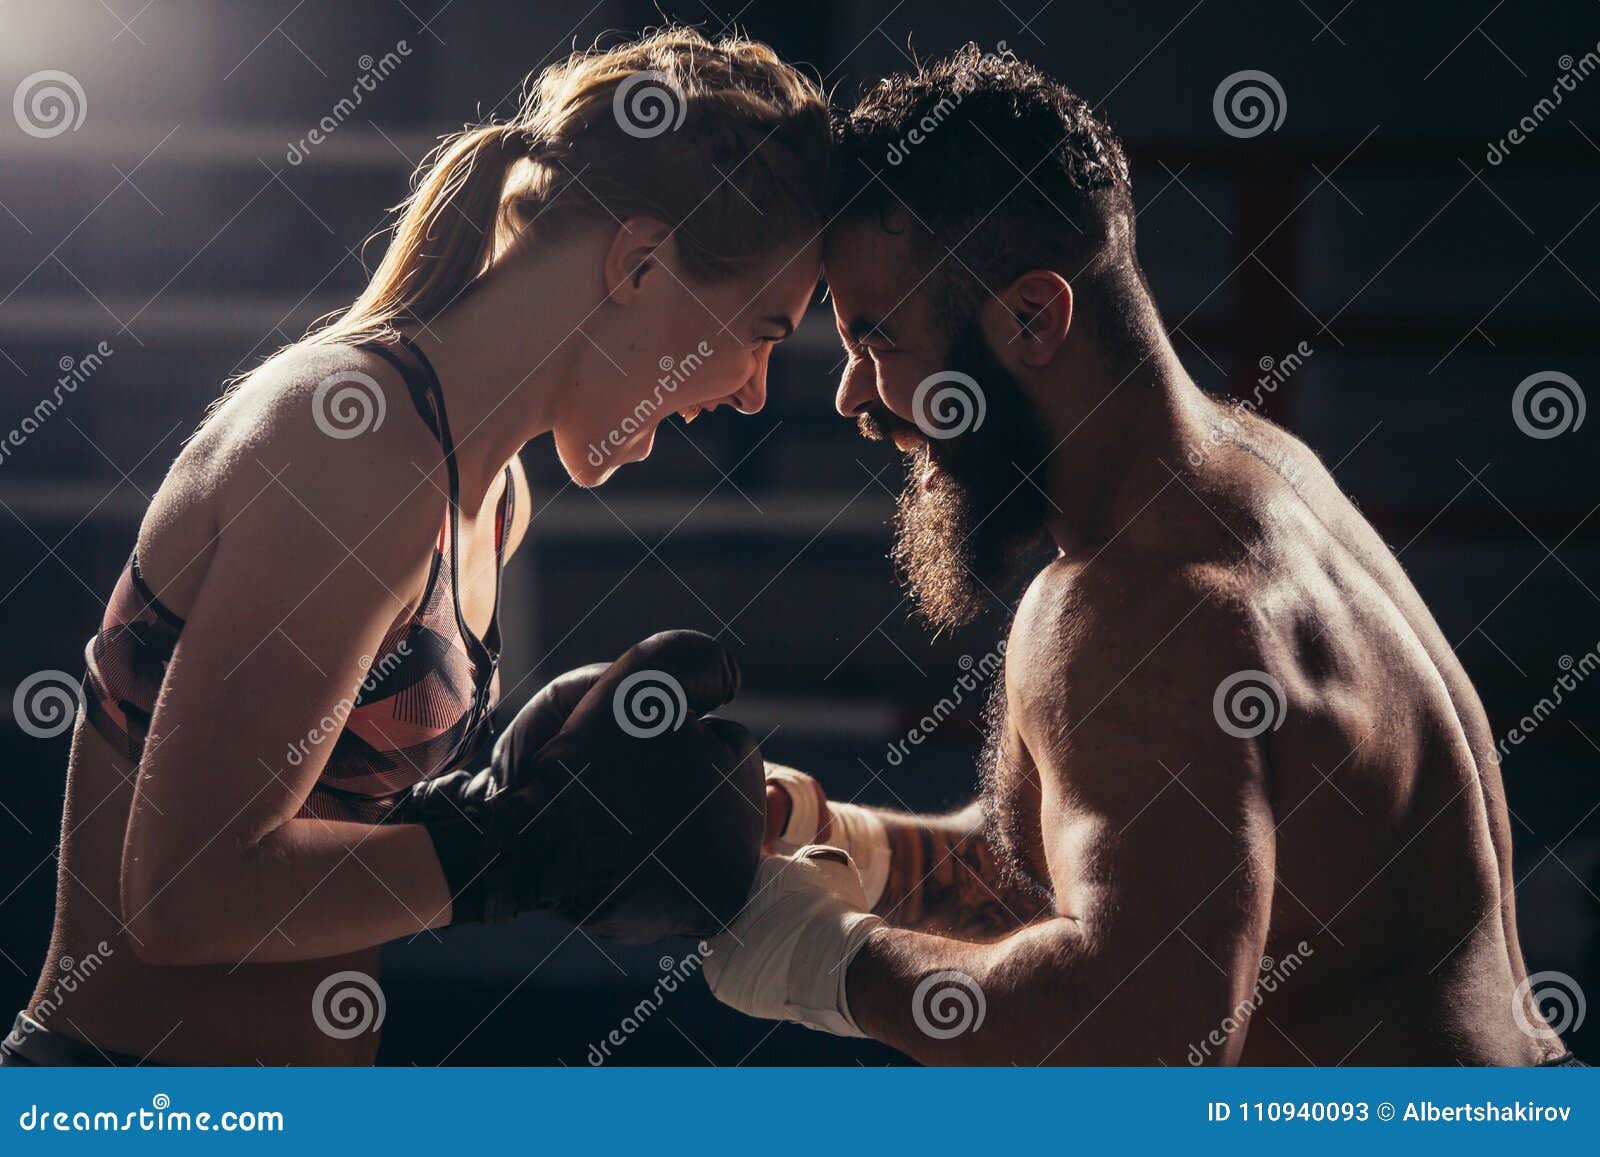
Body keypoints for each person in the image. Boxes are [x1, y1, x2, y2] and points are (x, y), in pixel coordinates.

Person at [708, 45, 1580, 1066]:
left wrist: (826, 962)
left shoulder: (1142, 610)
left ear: (1033, 316)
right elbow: (1132, 868)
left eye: (877, 340)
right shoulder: (1263, 473)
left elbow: (1142, 1044)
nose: (857, 397)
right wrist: (831, 842)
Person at [6, 27, 824, 1067]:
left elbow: (303, 830)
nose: (753, 389)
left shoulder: (489, 494)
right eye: (762, 327)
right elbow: (185, 895)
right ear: (641, 260)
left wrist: (498, 811)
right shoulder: (349, 444)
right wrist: (508, 855)